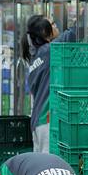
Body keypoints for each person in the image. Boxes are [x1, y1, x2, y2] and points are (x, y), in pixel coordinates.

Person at [22, 15, 57, 153]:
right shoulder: (48, 51)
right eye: (52, 24)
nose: (56, 26)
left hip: (38, 121)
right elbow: (70, 36)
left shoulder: (36, 56)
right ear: (44, 32)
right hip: (45, 121)